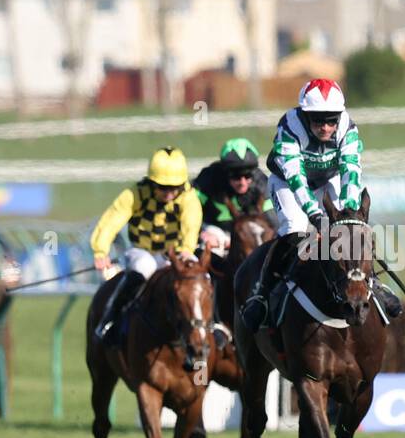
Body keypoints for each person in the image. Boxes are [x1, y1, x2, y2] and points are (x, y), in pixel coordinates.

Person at [239, 78, 401, 330]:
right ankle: (262, 294)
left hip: (329, 180)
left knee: (350, 232)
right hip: (288, 184)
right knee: (294, 229)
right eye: (317, 120)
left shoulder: (348, 127)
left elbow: (351, 171)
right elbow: (296, 179)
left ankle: (374, 286)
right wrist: (315, 215)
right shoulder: (289, 128)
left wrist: (349, 210)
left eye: (331, 120)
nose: (325, 127)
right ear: (305, 116)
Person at [91, 147, 203, 345]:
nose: (169, 193)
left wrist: (186, 250)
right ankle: (110, 319)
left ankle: (213, 326)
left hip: (175, 254)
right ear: (152, 182)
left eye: (174, 187)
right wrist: (101, 250)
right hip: (141, 251)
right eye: (163, 187)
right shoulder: (135, 194)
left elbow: (191, 225)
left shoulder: (188, 197)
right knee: (145, 266)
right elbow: (112, 220)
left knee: (199, 276)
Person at [192, 137, 273, 253]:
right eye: (236, 177)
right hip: (216, 230)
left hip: (247, 232)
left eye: (248, 176)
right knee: (211, 248)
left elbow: (274, 223)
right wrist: (201, 233)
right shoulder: (208, 180)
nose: (242, 182)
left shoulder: (261, 184)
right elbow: (189, 212)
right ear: (226, 173)